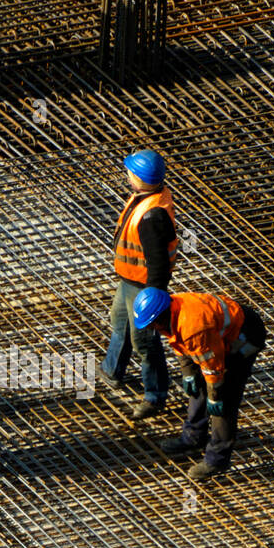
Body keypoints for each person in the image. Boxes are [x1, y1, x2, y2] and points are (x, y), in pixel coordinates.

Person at [132, 288, 267, 481]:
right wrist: (188, 373)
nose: (151, 330)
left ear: (159, 318)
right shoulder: (171, 310)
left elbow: (213, 368)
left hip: (245, 336)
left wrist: (215, 396)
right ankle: (193, 437)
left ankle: (217, 459)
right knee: (197, 385)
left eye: (151, 325)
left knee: (224, 399)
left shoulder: (193, 328)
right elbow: (178, 343)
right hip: (215, 337)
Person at [98, 149, 177, 420]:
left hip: (144, 286)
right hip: (129, 279)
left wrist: (155, 297)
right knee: (119, 320)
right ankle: (112, 371)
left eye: (130, 172)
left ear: (138, 179)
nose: (127, 175)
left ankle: (155, 396)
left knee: (145, 341)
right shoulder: (145, 198)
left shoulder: (151, 217)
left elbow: (158, 263)